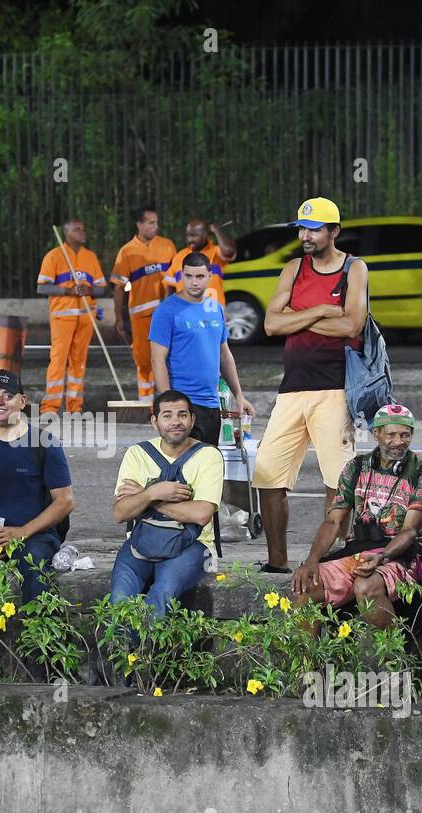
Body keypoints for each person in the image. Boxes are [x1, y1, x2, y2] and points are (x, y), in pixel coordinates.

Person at [253, 198, 367, 573]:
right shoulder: (293, 268)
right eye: (301, 228)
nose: (305, 235)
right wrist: (319, 312)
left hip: (335, 387)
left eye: (314, 228)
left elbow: (351, 326)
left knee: (337, 481)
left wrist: (294, 318)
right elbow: (270, 325)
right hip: (292, 388)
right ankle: (277, 562)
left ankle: (334, 563)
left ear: (335, 231)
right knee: (268, 474)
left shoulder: (354, 268)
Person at [291, 404, 422, 635]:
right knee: (306, 588)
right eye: (390, 434)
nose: (398, 441)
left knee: (365, 587)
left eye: (405, 435)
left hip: (403, 555)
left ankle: (399, 659)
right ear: (376, 434)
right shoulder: (356, 467)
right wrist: (311, 561)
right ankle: (308, 668)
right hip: (358, 552)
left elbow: (410, 531)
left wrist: (382, 557)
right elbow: (334, 521)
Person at [0, 369, 75, 603]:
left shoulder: (44, 442)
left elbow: (66, 501)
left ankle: (37, 638)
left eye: (7, 395)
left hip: (35, 537)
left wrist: (21, 533)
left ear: (22, 401)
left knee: (36, 572)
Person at [110, 390, 223, 628]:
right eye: (167, 415)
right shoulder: (137, 453)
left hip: (194, 545)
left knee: (162, 594)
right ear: (155, 422)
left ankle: (145, 660)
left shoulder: (208, 455)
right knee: (120, 600)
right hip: (141, 542)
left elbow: (202, 514)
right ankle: (126, 662)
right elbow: (120, 512)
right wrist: (154, 492)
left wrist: (149, 498)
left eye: (182, 415)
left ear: (192, 420)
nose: (175, 422)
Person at [149, 252, 255, 446]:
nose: (193, 282)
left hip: (211, 405)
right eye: (188, 276)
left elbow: (224, 354)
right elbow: (157, 359)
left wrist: (239, 395)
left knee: (207, 469)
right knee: (183, 470)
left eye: (199, 276)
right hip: (182, 406)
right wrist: (168, 405)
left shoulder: (216, 309)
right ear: (181, 276)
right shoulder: (166, 311)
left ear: (209, 277)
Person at [35, 218, 107, 414]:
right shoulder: (54, 256)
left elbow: (101, 290)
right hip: (62, 317)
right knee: (58, 360)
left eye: (83, 228)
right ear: (66, 233)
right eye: (77, 229)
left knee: (79, 362)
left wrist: (88, 289)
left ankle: (74, 408)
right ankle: (50, 407)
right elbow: (42, 287)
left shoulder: (90, 257)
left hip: (86, 318)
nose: (82, 231)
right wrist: (68, 291)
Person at [110, 206, 175, 402]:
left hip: (167, 314)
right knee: (144, 362)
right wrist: (119, 317)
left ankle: (167, 401)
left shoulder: (167, 246)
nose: (155, 226)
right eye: (150, 223)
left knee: (168, 360)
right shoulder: (127, 251)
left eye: (156, 222)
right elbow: (119, 287)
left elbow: (178, 279)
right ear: (139, 225)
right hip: (141, 316)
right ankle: (146, 404)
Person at [164, 219, 235, 308]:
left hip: (213, 317)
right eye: (188, 235)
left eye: (194, 236)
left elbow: (228, 252)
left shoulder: (215, 252)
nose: (190, 240)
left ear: (205, 235)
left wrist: (217, 231)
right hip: (186, 316)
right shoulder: (179, 257)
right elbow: (170, 287)